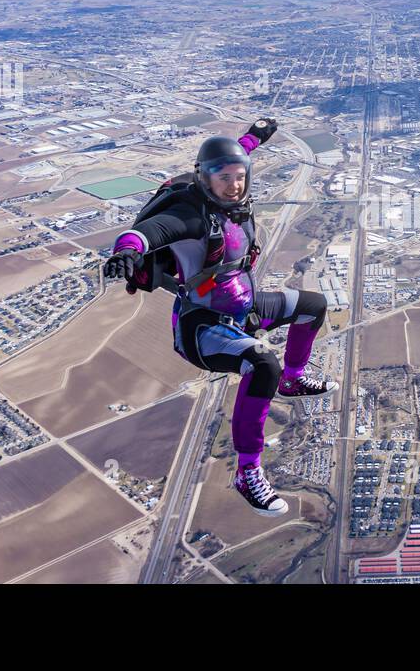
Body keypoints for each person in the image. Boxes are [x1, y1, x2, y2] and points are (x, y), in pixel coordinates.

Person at [103, 117, 338, 516]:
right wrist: (127, 251)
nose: (234, 184)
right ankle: (247, 472)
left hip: (242, 308)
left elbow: (239, 151)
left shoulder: (230, 197)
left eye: (239, 176)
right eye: (223, 177)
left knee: (312, 306)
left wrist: (256, 134)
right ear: (203, 178)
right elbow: (150, 233)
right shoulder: (193, 215)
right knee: (262, 364)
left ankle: (294, 380)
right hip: (203, 327)